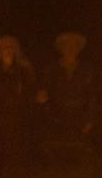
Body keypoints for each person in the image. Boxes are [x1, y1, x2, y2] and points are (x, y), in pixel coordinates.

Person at [38, 32, 97, 165]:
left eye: (74, 46)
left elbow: (92, 96)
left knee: (79, 152)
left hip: (79, 116)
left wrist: (89, 119)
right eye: (67, 46)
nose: (70, 49)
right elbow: (44, 95)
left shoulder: (86, 70)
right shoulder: (52, 70)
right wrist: (45, 106)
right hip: (57, 117)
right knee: (58, 152)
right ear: (61, 49)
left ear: (78, 50)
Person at [0, 35, 38, 169]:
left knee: (18, 144)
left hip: (19, 115)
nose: (7, 50)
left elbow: (30, 92)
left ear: (15, 50)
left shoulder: (24, 70)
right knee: (1, 145)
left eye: (10, 47)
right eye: (4, 47)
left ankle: (19, 171)